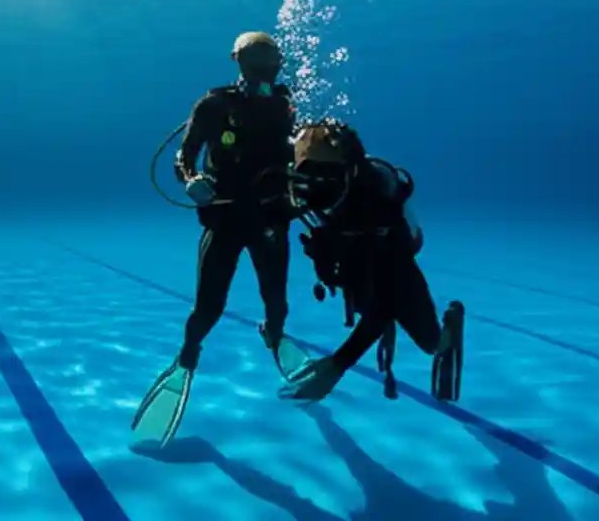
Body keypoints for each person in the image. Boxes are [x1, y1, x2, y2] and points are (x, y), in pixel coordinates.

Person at [131, 31, 309, 448]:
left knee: (277, 303)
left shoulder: (286, 106)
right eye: (256, 56)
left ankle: (274, 334)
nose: (266, 65)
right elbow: (184, 154)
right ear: (238, 60)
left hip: (269, 220)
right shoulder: (215, 105)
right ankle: (187, 357)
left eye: (272, 57)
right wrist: (191, 180)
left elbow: (299, 156)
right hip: (226, 219)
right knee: (209, 308)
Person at [279, 121, 465, 403]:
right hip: (355, 259)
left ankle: (451, 327)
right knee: (366, 302)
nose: (318, 189)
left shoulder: (375, 203)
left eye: (328, 176)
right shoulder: (306, 192)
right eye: (308, 176)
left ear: (349, 171)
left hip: (394, 262)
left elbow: (385, 307)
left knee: (431, 343)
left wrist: (337, 365)